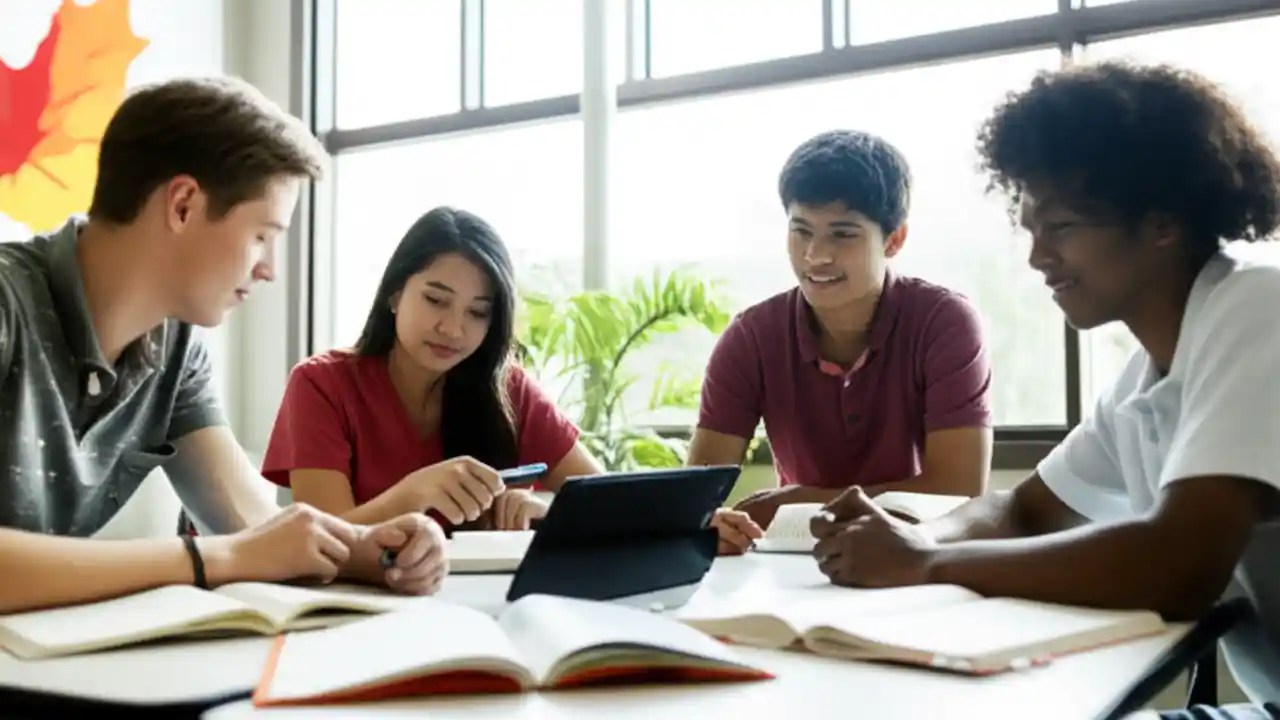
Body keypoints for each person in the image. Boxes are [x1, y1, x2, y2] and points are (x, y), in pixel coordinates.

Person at [811, 62, 1280, 713]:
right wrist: (915, 535)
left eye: (1061, 228)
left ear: (1161, 221)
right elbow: (1022, 510)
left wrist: (925, 563)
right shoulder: (1144, 378)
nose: (1037, 257)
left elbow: (1179, 564)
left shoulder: (1260, 306)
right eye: (1031, 229)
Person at [0, 77, 447, 614]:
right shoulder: (7, 304)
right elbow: (237, 551)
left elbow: (256, 530)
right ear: (184, 205)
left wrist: (366, 553)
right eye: (262, 235)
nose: (269, 270)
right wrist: (208, 559)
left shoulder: (176, 349)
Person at [692, 129, 994, 551]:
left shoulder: (945, 322)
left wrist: (797, 500)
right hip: (792, 558)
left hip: (915, 554)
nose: (816, 255)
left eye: (842, 234)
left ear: (894, 239)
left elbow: (957, 489)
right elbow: (696, 497)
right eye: (801, 231)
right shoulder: (750, 338)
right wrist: (718, 524)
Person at [261, 206, 603, 532]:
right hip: (366, 593)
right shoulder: (321, 384)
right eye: (436, 300)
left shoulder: (509, 389)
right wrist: (413, 496)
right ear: (395, 294)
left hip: (485, 592)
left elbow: (612, 502)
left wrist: (549, 512)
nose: (453, 329)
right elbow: (321, 539)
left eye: (478, 312)